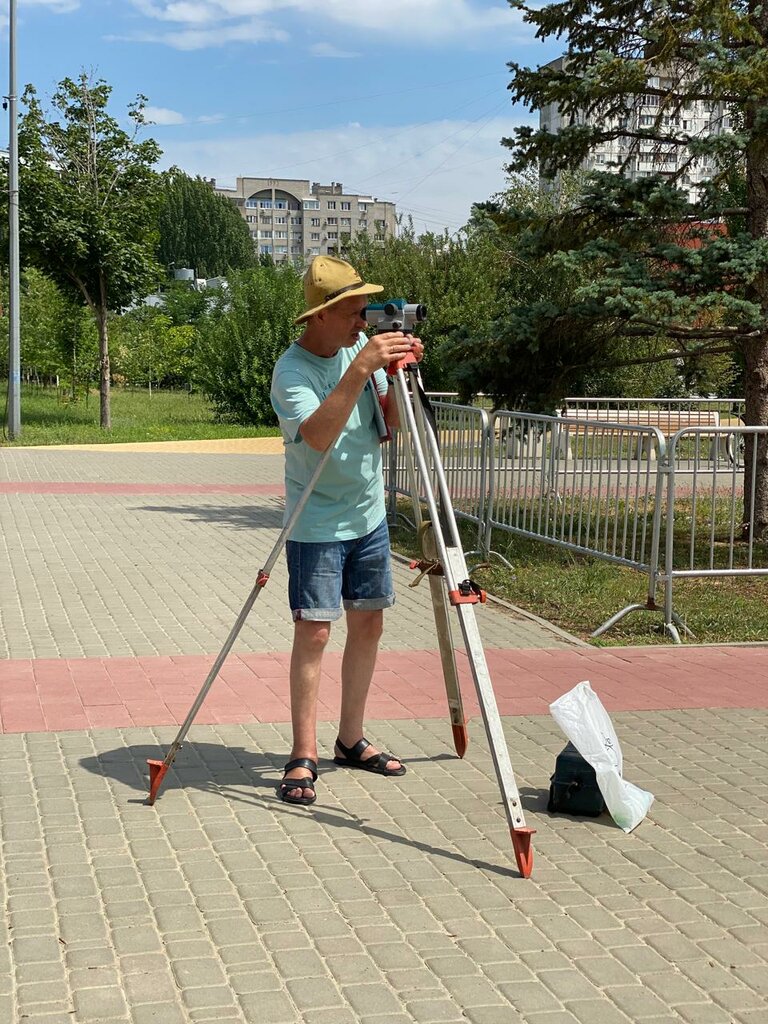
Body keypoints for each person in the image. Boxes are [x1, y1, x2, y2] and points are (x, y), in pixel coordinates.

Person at [270, 255, 423, 806]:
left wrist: (397, 381)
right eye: (356, 313)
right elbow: (316, 436)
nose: (364, 324)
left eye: (366, 313)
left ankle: (350, 738)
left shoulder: (363, 354)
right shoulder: (292, 371)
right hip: (316, 521)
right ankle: (302, 753)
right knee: (314, 631)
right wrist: (361, 368)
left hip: (368, 514)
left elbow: (387, 429)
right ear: (323, 316)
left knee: (369, 624)